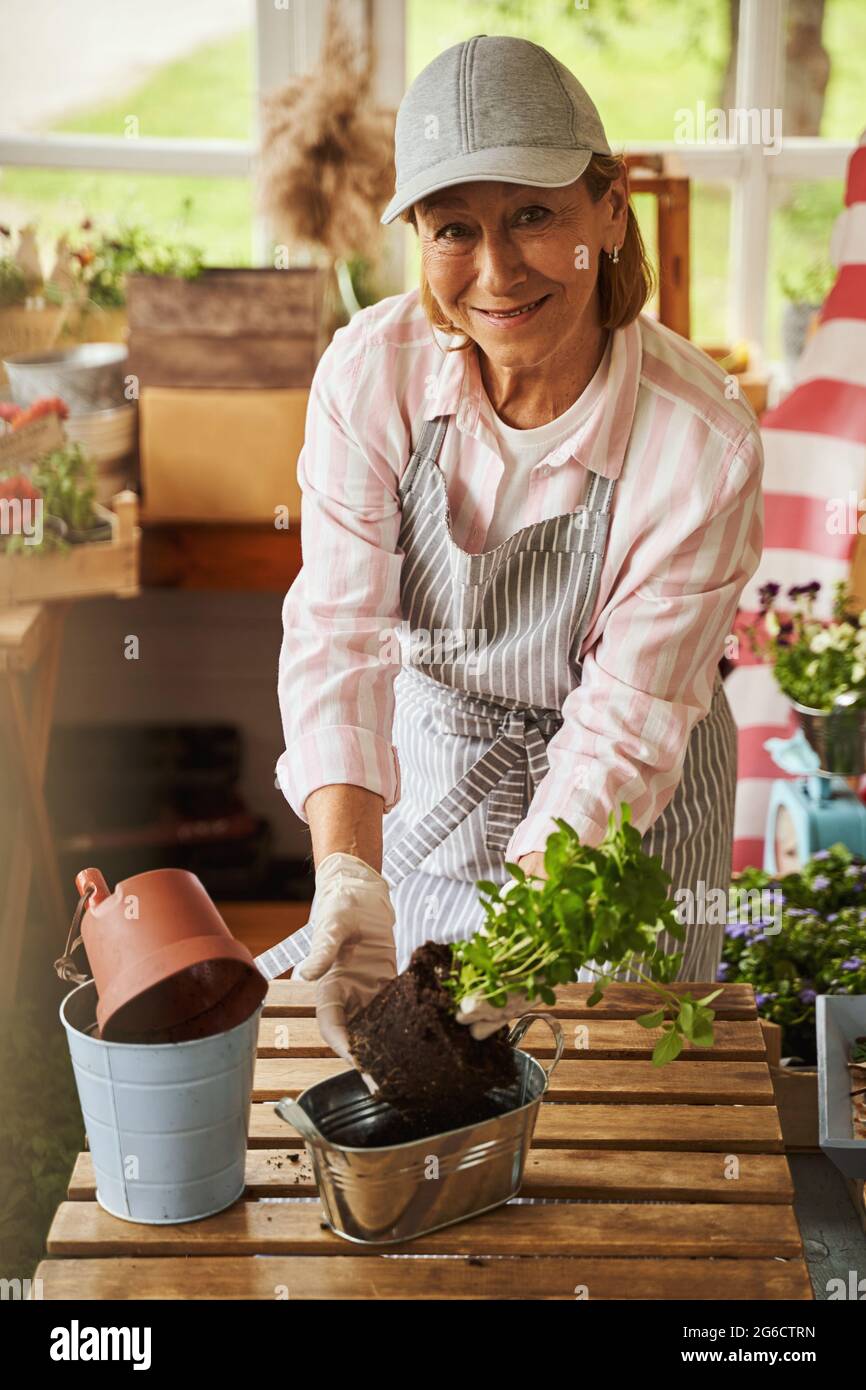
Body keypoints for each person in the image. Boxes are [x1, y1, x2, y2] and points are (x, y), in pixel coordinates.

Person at [257, 35, 764, 1065]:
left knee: (616, 1103)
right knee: (405, 1061)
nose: (495, 272)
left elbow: (621, 724)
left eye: (533, 213)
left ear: (607, 212)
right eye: (454, 228)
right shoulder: (370, 374)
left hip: (628, 832)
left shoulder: (701, 441)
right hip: (436, 791)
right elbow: (339, 634)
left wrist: (526, 931)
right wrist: (349, 873)